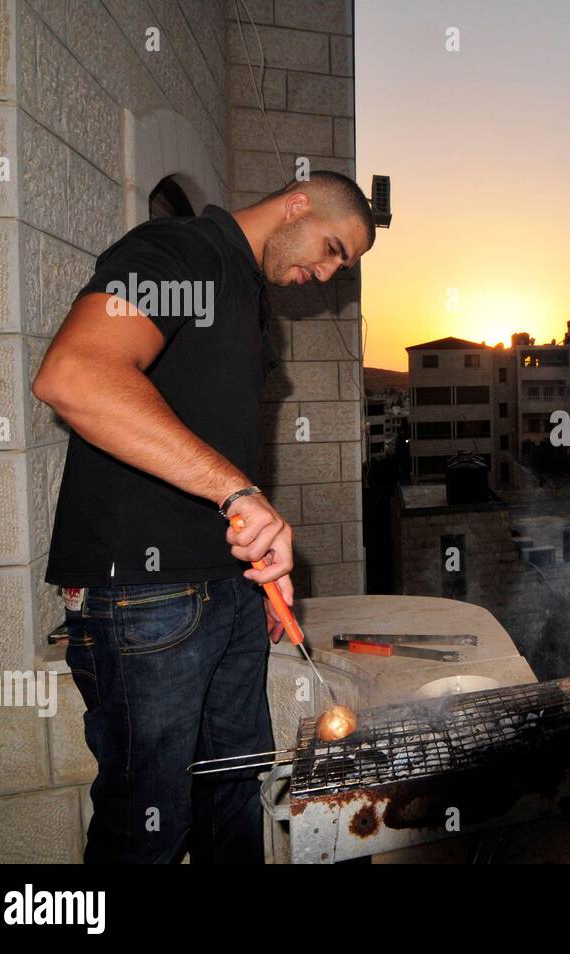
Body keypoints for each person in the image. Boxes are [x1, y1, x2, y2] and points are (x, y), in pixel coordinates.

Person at [32, 171, 377, 863]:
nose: (330, 271)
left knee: (231, 794)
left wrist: (260, 577)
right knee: (149, 825)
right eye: (334, 248)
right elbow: (75, 374)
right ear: (299, 202)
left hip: (227, 592)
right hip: (144, 598)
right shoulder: (181, 250)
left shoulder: (251, 300)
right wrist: (238, 493)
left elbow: (214, 445)